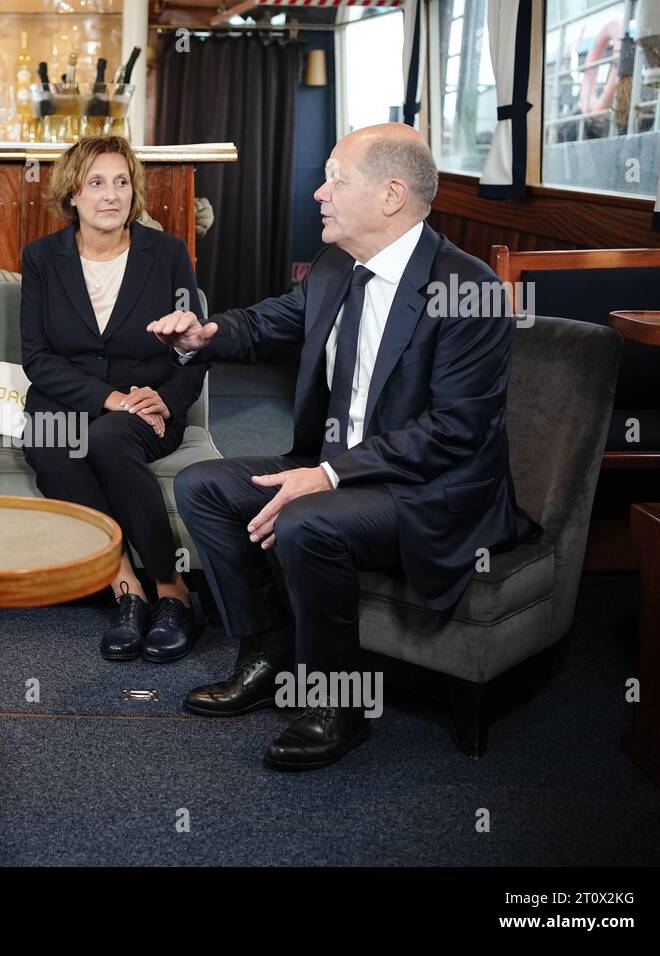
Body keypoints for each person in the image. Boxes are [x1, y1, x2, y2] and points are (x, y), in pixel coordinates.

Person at [150, 123, 539, 770]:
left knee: (306, 519)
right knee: (202, 486)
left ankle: (336, 707)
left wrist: (329, 474)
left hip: (429, 492)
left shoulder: (466, 290)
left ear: (391, 195)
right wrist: (204, 334)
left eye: (336, 178)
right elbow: (271, 320)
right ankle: (268, 653)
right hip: (337, 470)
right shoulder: (337, 267)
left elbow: (455, 433)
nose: (317, 193)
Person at [20, 135, 210, 662]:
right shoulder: (42, 258)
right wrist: (110, 398)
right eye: (96, 182)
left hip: (150, 404)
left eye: (122, 182)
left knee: (105, 441)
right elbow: (37, 358)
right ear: (72, 195)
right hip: (69, 400)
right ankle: (124, 588)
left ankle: (172, 590)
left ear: (134, 191)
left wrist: (166, 402)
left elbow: (192, 353)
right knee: (49, 442)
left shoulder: (168, 254)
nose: (111, 195)